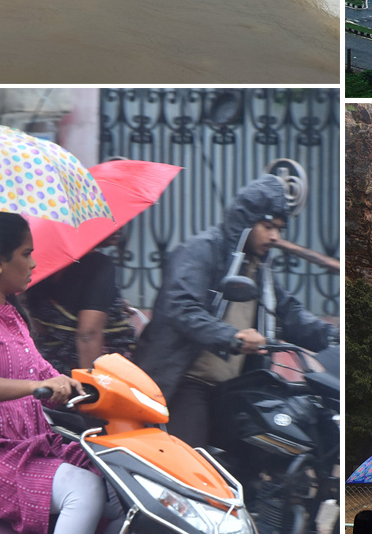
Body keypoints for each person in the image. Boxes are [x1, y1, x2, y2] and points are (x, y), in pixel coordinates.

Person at [0, 211, 111, 534]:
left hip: (32, 447)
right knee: (84, 490)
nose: (33, 263)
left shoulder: (13, 315)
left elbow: (45, 373)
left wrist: (93, 391)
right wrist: (34, 387)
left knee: (115, 472)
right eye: (26, 254)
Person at [133, 174, 336, 447]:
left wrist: (332, 335)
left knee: (260, 460)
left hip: (232, 390)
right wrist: (234, 337)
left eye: (279, 229)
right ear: (246, 223)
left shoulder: (259, 269)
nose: (274, 236)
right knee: (193, 472)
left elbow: (289, 312)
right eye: (267, 226)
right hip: (186, 382)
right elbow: (180, 307)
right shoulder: (202, 250)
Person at [27, 231, 137, 375]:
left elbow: (40, 322)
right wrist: (92, 387)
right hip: (86, 369)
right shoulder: (98, 265)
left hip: (49, 370)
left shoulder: (42, 262)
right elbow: (88, 334)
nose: (118, 229)